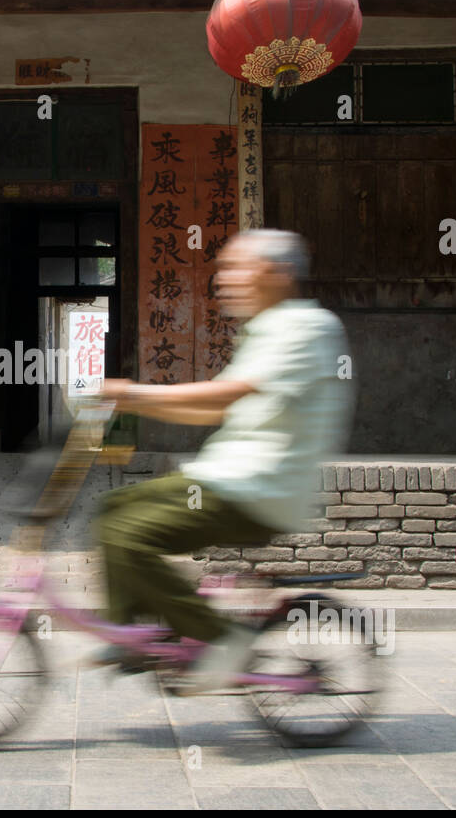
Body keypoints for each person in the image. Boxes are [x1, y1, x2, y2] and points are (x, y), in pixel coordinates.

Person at [93, 228, 354, 693]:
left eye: (236, 268)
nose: (223, 281)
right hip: (226, 480)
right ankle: (136, 635)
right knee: (113, 508)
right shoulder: (268, 330)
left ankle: (219, 640)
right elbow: (215, 408)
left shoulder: (304, 328)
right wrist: (133, 402)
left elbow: (230, 393)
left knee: (127, 535)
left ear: (278, 273)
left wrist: (132, 393)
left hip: (254, 490)